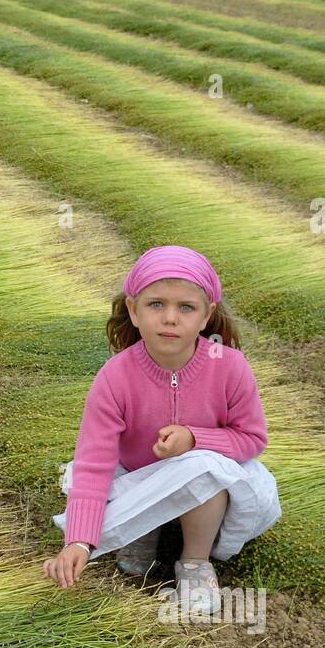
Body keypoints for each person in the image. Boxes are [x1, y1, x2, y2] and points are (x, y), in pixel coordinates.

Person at [42, 245, 279, 614]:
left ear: (206, 316)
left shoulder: (229, 366)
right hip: (137, 476)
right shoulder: (115, 376)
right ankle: (145, 532)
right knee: (81, 477)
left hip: (205, 484)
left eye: (186, 307)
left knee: (204, 470)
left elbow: (252, 439)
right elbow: (95, 462)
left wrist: (195, 439)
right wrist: (78, 542)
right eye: (156, 305)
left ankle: (195, 563)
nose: (170, 318)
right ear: (133, 310)